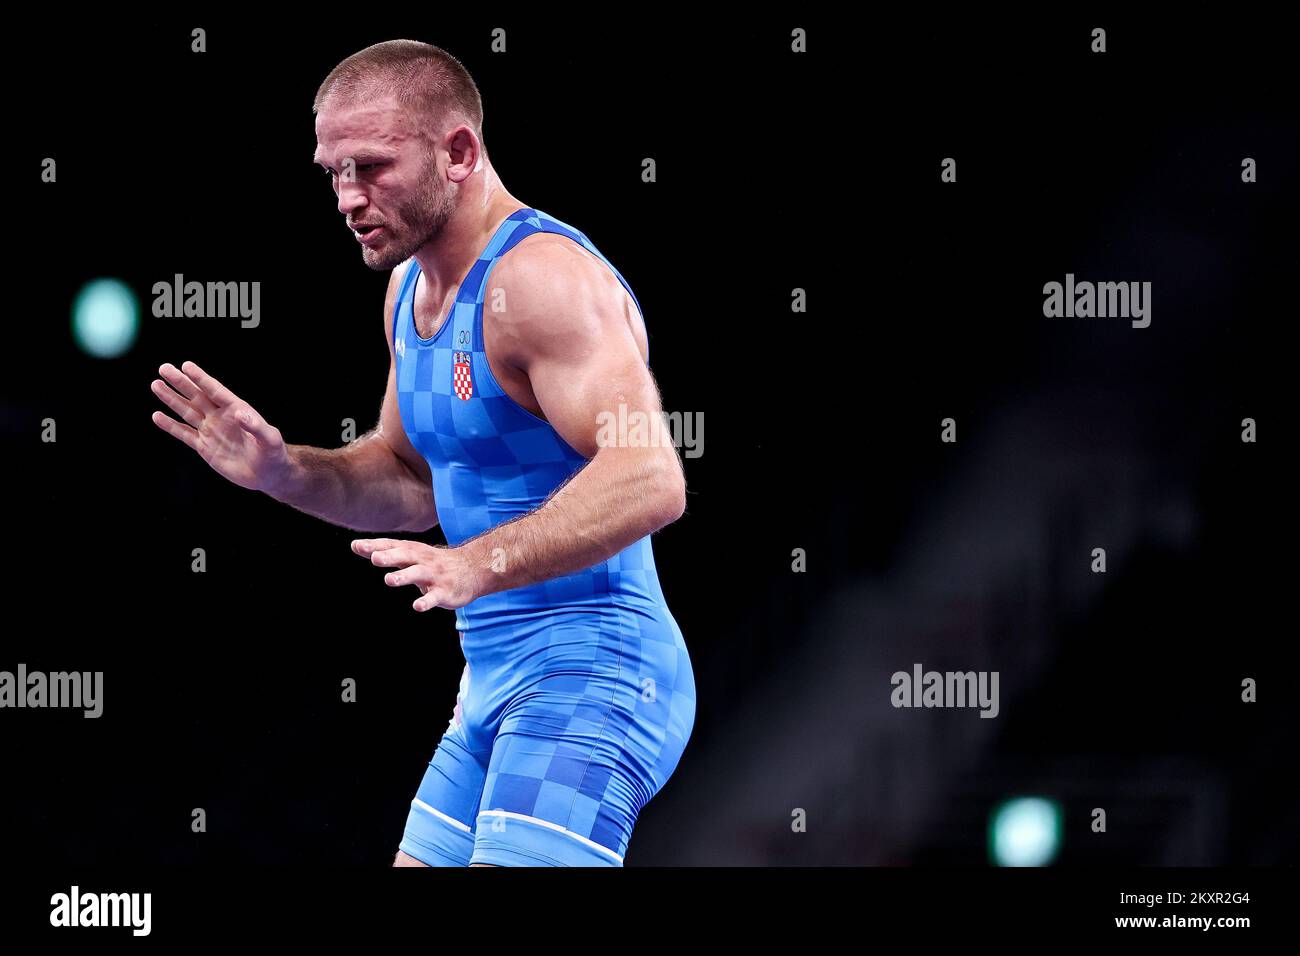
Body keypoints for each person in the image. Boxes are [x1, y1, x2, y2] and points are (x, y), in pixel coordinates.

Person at [150, 39, 695, 867]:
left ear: (459, 153)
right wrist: (284, 472)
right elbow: (411, 482)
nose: (346, 196)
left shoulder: (544, 281)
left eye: (370, 166)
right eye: (332, 171)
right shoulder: (410, 290)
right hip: (491, 684)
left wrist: (478, 562)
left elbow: (651, 475)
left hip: (597, 676)